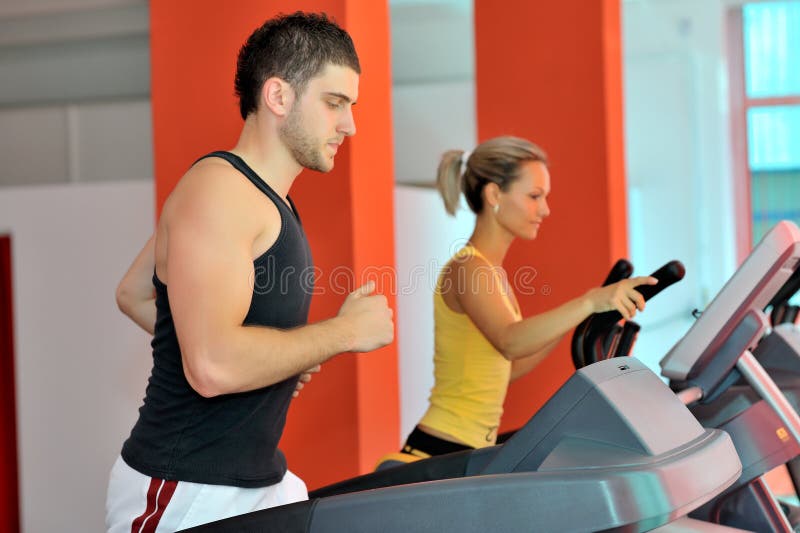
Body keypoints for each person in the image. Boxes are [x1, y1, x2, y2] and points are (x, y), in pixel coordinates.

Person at [106, 12, 393, 532]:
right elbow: (213, 366)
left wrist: (270, 362)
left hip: (255, 481)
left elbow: (134, 294)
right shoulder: (220, 192)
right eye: (334, 103)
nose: (349, 124)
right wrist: (343, 332)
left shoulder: (265, 198)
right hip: (186, 487)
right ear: (278, 96)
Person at [401, 136, 656, 458]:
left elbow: (510, 366)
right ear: (494, 194)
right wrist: (589, 302)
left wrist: (582, 315)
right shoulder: (469, 268)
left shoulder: (492, 273)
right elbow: (511, 341)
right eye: (535, 196)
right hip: (440, 447)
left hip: (469, 445)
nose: (545, 210)